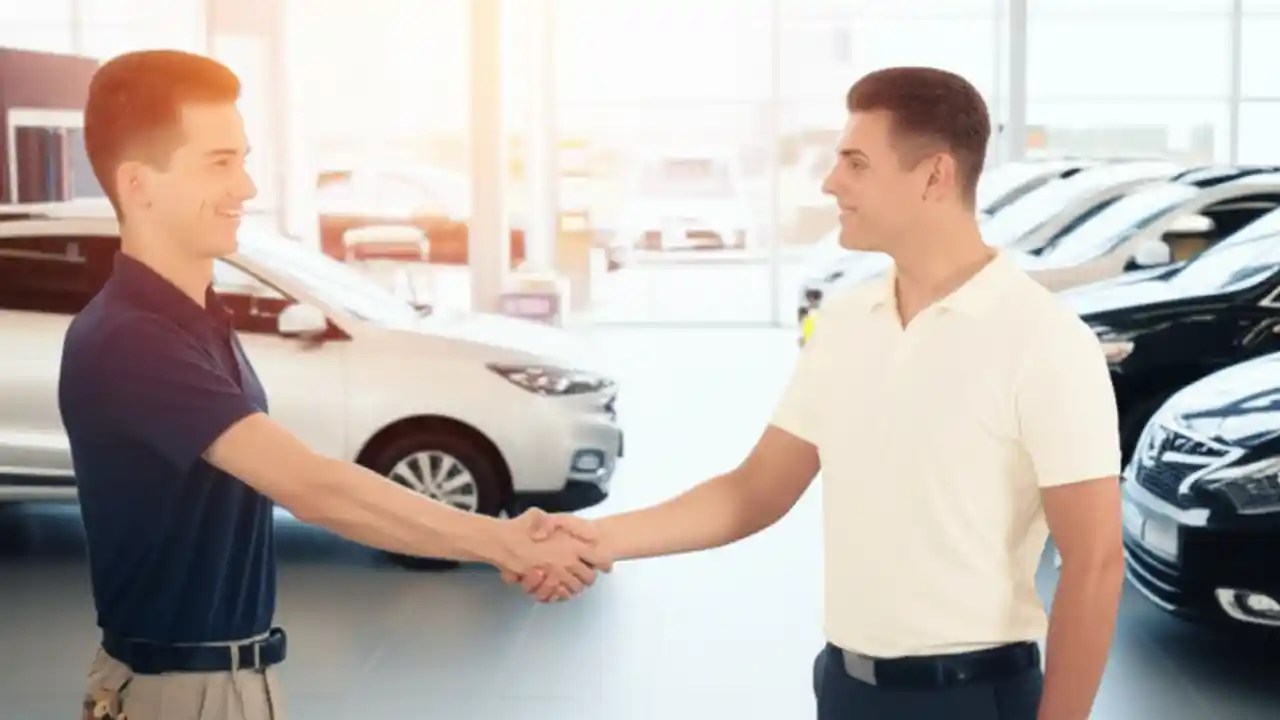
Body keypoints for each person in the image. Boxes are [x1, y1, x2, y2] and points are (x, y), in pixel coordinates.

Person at [510, 67, 1126, 720]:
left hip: (973, 698)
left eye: (856, 163)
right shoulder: (847, 322)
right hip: (844, 688)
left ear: (934, 176)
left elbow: (1094, 562)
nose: (833, 183)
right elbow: (754, 492)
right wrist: (598, 539)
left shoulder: (1044, 340)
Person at [60, 50, 603, 720]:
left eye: (244, 158)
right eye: (220, 163)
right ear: (139, 184)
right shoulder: (131, 339)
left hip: (230, 675)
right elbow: (314, 488)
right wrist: (504, 543)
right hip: (176, 693)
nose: (247, 187)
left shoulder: (197, 319)